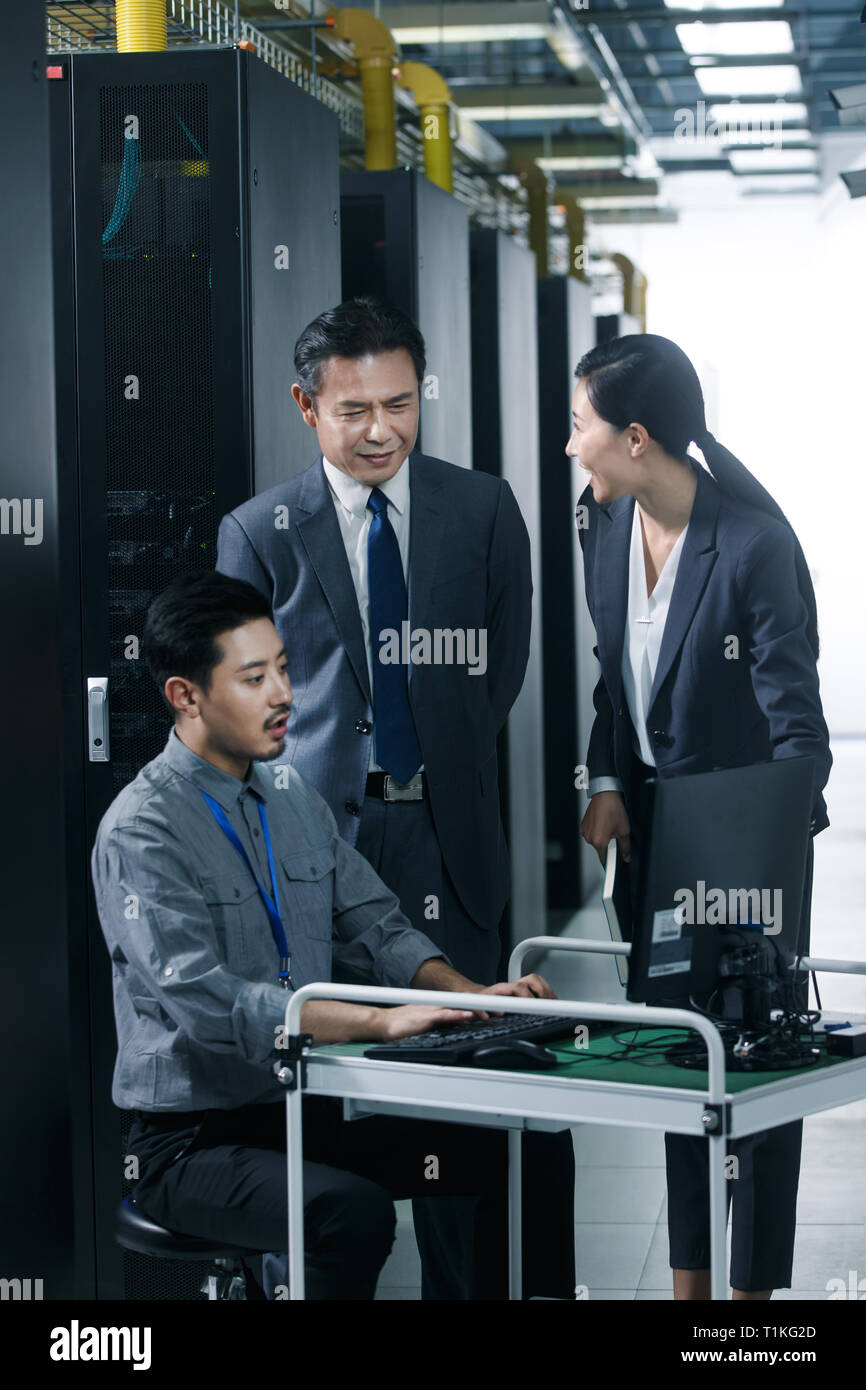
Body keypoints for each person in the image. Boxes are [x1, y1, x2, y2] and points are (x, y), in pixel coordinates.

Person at [215, 294, 574, 1298]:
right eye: (353, 409)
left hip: (448, 834)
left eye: (400, 404)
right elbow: (241, 701)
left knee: (461, 1091)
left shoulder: (481, 508)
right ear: (305, 405)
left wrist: (432, 759)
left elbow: (500, 670)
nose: (380, 429)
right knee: (318, 1096)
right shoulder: (259, 531)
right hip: (311, 836)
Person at [90, 571, 576, 1300]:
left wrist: (475, 997)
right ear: (185, 697)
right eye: (255, 678)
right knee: (349, 1211)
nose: (285, 693)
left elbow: (374, 924)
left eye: (284, 668)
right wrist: (382, 1022)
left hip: (301, 1110)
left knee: (523, 1144)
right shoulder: (142, 829)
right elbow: (213, 1005)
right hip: (192, 1145)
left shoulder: (290, 796)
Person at [570, 333, 831, 1300]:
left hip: (747, 849)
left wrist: (751, 869)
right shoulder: (600, 527)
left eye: (578, 424)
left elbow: (801, 739)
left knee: (758, 1076)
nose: (570, 446)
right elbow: (611, 687)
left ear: (635, 438)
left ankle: (749, 1311)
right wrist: (603, 781)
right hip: (654, 842)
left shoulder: (757, 548)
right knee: (681, 1067)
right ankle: (688, 1297)